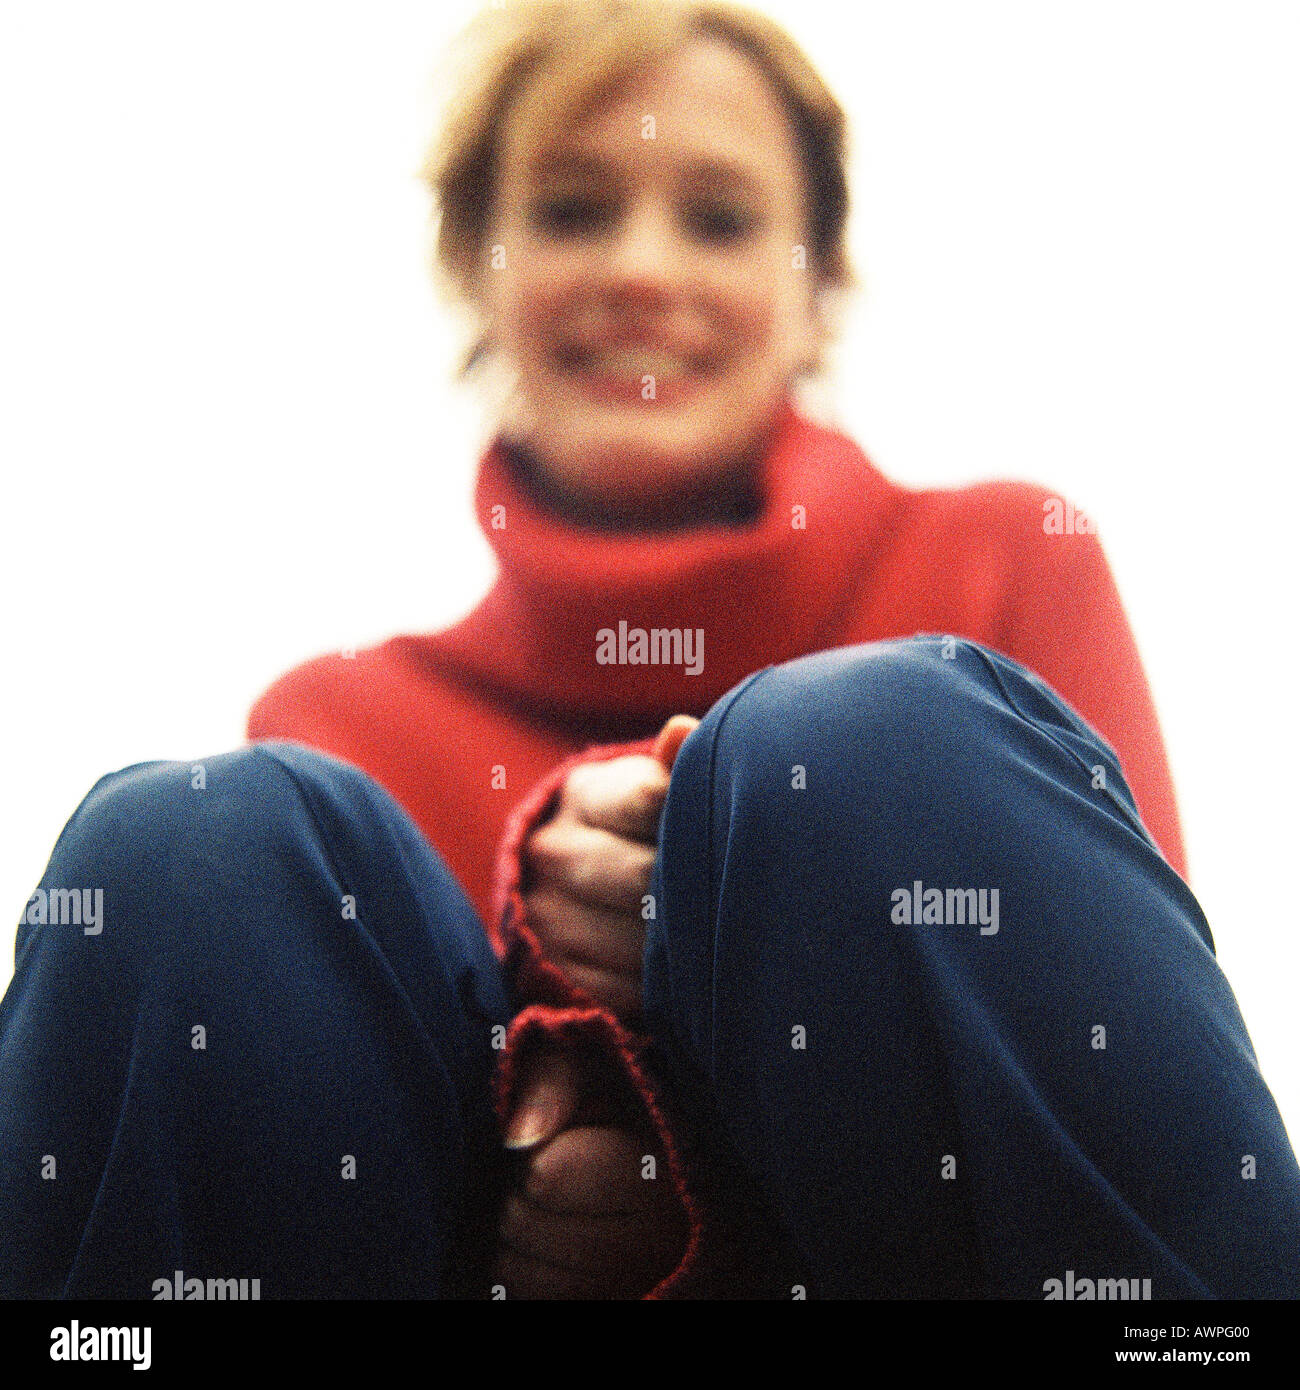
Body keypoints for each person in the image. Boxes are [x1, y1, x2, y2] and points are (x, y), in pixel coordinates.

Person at [3, 0, 1296, 1300]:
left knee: (858, 745)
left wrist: (702, 1154)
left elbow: (1094, 1073)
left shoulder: (1004, 562)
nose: (640, 269)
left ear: (818, 284)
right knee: (192, 839)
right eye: (571, 212)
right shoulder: (338, 725)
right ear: (475, 263)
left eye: (721, 218)